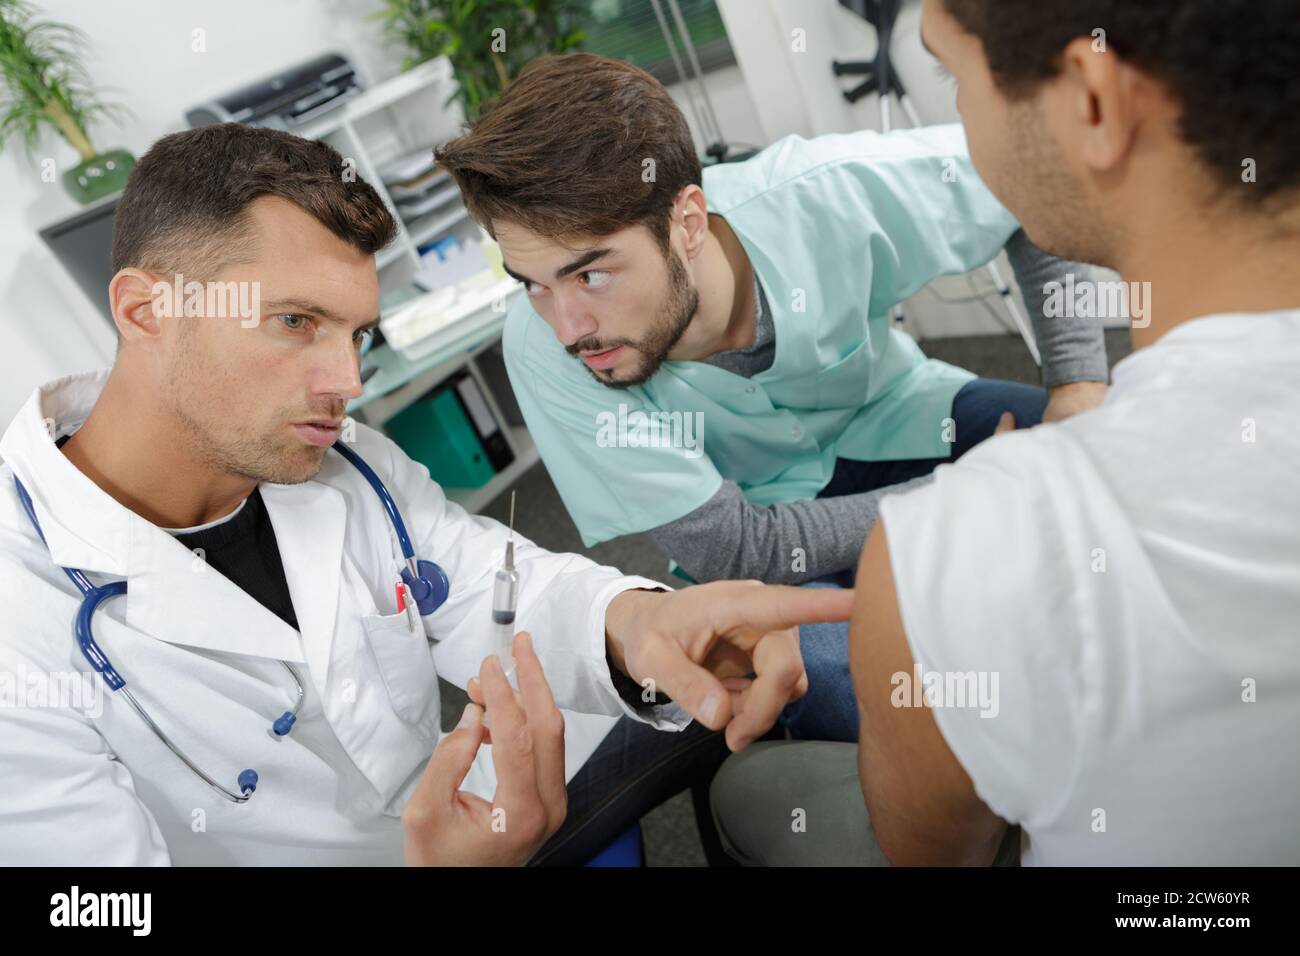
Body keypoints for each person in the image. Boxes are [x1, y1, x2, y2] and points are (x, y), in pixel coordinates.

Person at [0, 123, 854, 866]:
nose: (346, 382)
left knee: (728, 678)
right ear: (146, 312)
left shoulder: (341, 465)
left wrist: (634, 624)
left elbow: (484, 579)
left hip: (470, 813)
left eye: (356, 336)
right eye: (296, 322)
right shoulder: (19, 629)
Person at [710, 0, 1300, 866]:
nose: (959, 121)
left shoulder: (959, 551)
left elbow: (934, 855)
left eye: (954, 76)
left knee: (751, 786)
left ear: (1091, 104)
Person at [434, 52, 1110, 743]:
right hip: (762, 542)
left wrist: (1078, 383)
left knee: (1104, 461)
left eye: (592, 275)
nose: (568, 327)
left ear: (687, 223)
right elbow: (737, 548)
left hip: (904, 420)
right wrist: (961, 499)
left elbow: (1034, 178)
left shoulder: (830, 194)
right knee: (836, 679)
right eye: (533, 284)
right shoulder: (541, 348)